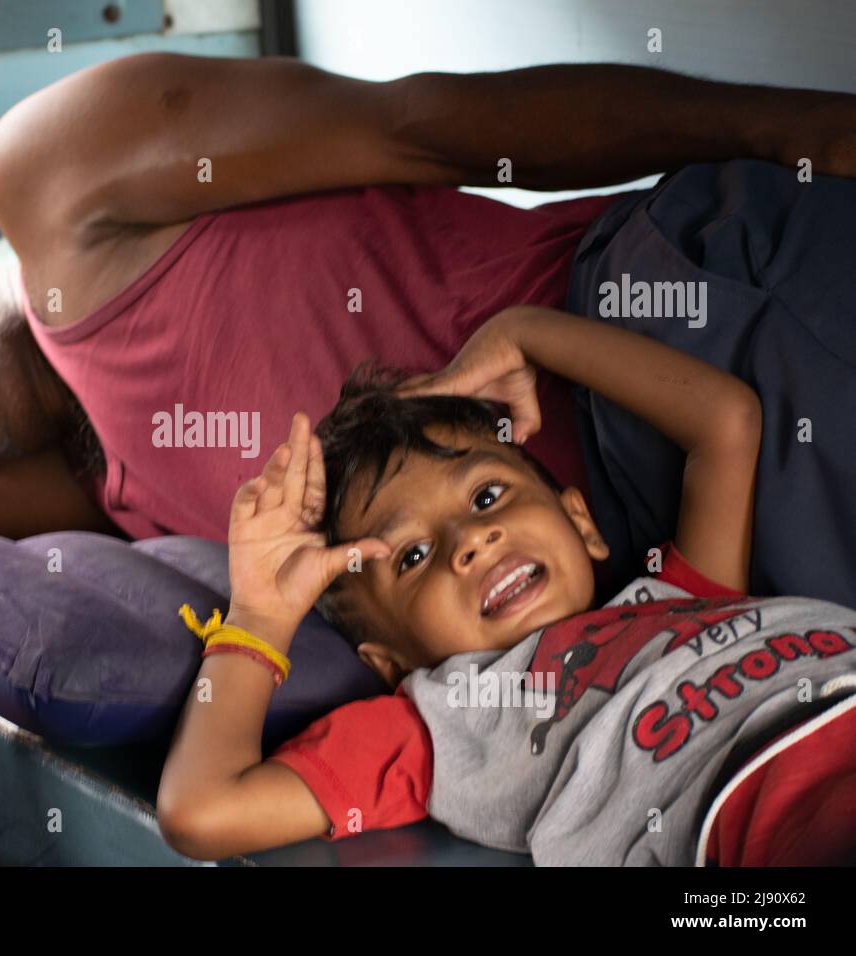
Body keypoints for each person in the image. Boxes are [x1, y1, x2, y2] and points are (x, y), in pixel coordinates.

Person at [0, 52, 856, 586]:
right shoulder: (99, 496)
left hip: (682, 315)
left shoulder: (60, 178)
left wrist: (797, 126)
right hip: (700, 548)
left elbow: (434, 123)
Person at [156, 304, 856, 865]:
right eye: (412, 557)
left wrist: (522, 333)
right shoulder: (440, 724)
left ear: (580, 522)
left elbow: (726, 422)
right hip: (778, 814)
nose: (470, 542)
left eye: (487, 497)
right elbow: (202, 814)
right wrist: (260, 614)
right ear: (393, 662)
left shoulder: (681, 593)